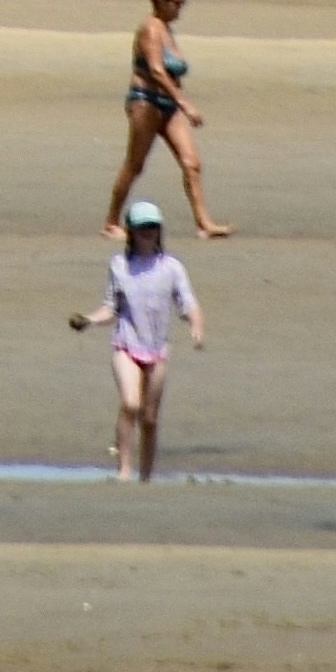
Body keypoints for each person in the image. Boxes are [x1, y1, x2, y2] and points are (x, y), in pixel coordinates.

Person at [71, 198, 204, 480]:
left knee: (150, 418)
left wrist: (196, 326)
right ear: (131, 231)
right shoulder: (119, 265)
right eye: (143, 227)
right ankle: (124, 470)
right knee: (130, 403)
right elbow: (111, 307)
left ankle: (146, 476)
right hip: (126, 346)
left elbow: (188, 302)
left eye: (153, 227)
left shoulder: (171, 267)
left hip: (157, 351)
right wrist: (90, 319)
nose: (149, 232)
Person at [107, 0, 229, 236]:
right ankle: (111, 222)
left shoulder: (166, 30)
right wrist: (185, 104)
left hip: (168, 104)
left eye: (182, 2)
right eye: (177, 3)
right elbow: (156, 70)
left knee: (192, 163)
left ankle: (203, 224)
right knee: (135, 163)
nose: (180, 8)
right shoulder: (150, 28)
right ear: (162, 2)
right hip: (145, 102)